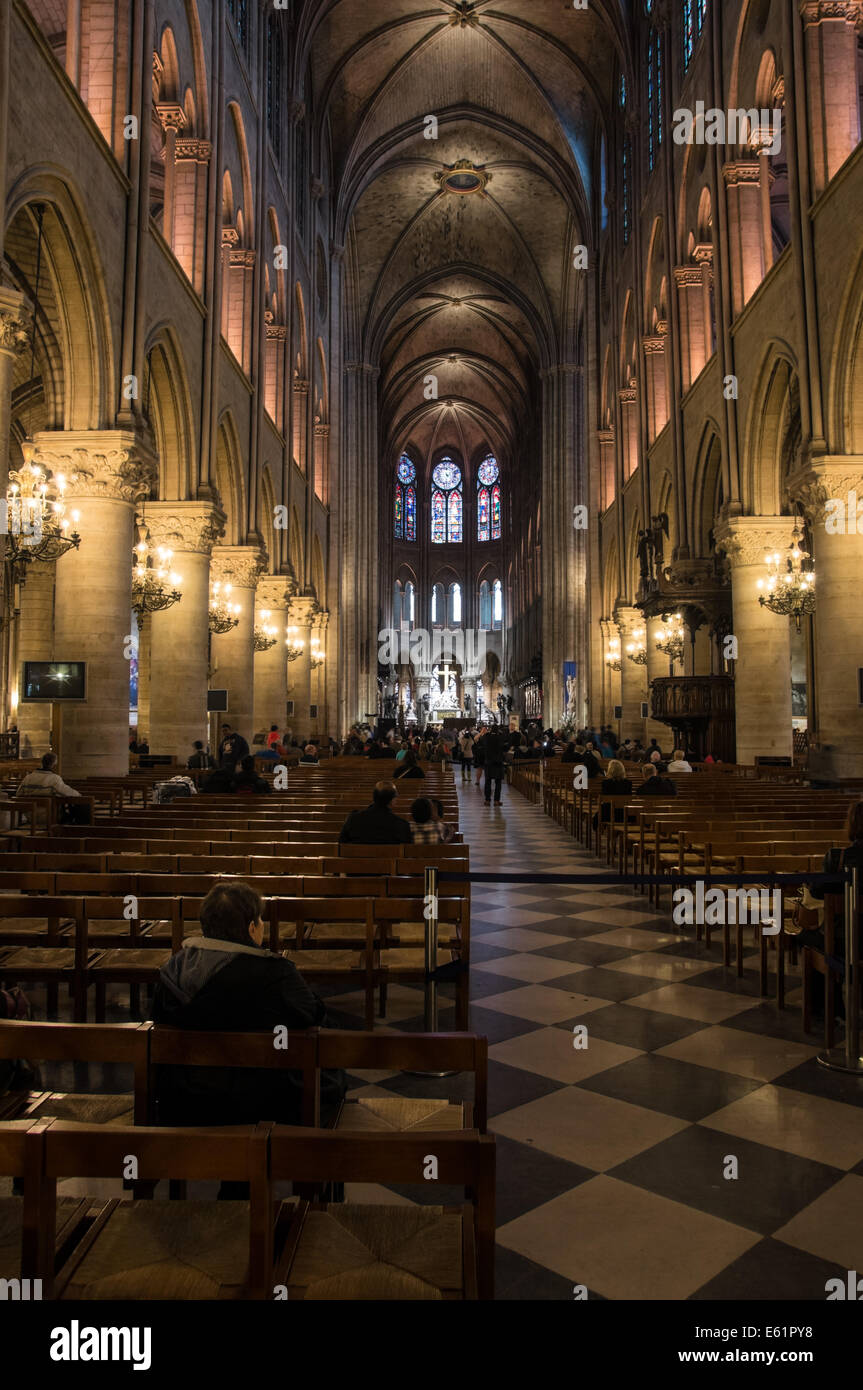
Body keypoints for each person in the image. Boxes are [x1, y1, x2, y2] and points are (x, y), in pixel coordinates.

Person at [151, 880, 346, 1133]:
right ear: (252, 928)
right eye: (260, 921)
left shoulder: (172, 970)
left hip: (184, 1101)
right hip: (261, 1103)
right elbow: (313, 1017)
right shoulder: (275, 974)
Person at [791, 801, 863, 1020]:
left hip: (847, 938)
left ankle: (827, 1009)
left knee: (806, 937)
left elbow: (819, 892)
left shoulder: (836, 858)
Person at [338, 780, 411, 845]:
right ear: (392, 801)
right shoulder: (401, 825)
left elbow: (341, 844)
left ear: (374, 797)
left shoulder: (353, 819)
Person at [16, 752, 81, 801]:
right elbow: (68, 792)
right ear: (53, 764)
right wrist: (79, 795)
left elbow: (18, 794)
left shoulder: (28, 777)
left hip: (29, 813)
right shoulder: (54, 778)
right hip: (48, 813)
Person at [593, 758, 633, 827]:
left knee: (597, 816)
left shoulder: (606, 783)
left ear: (610, 770)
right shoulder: (628, 783)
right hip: (623, 813)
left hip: (609, 813)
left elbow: (604, 799)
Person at [483, 729, 507, 805]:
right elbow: (505, 747)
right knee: (498, 783)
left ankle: (487, 800)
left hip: (488, 762)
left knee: (487, 782)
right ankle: (496, 800)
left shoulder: (487, 737)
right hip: (498, 763)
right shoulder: (500, 737)